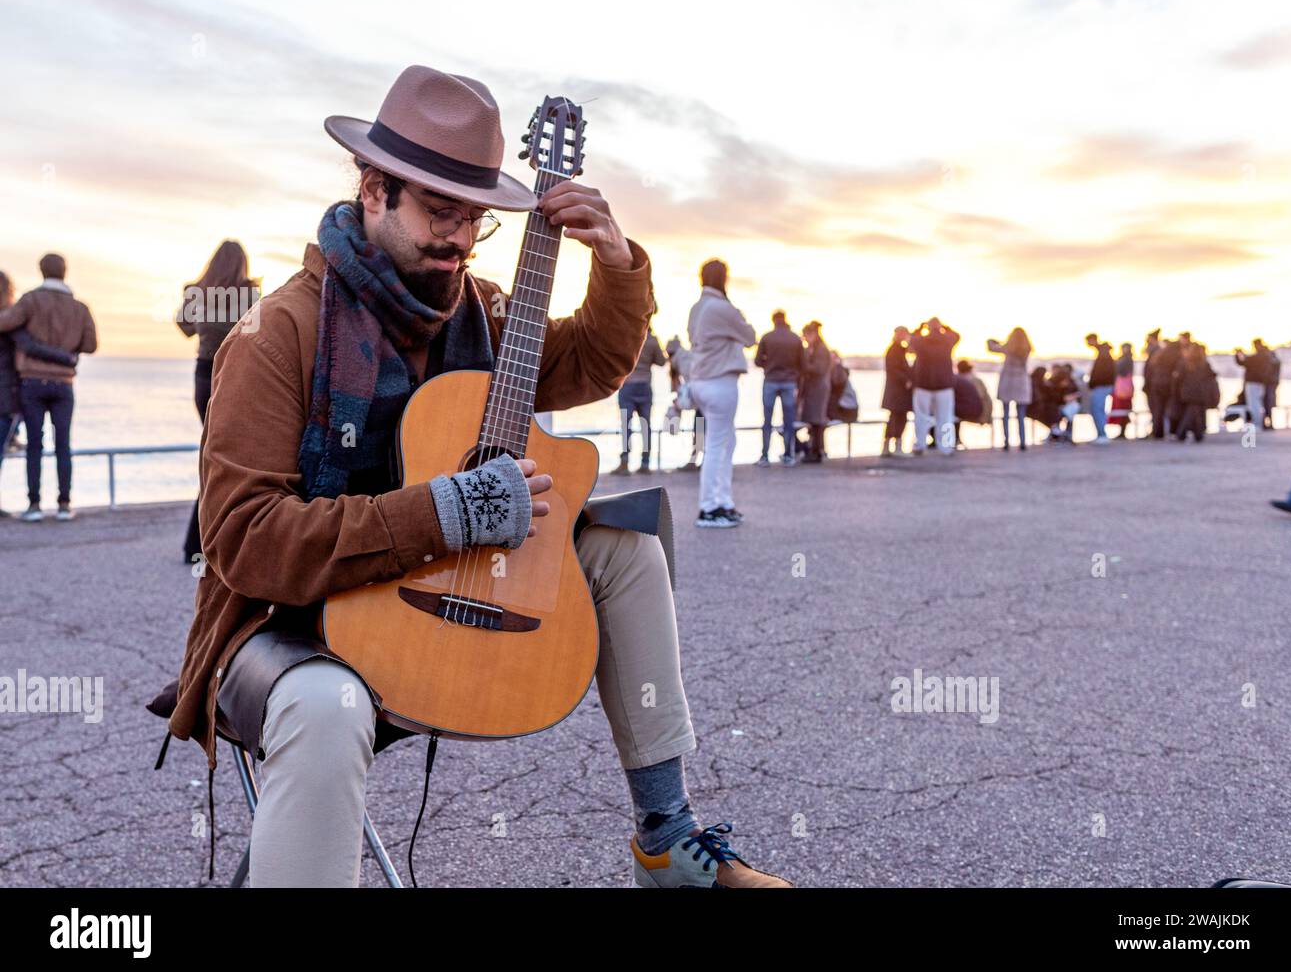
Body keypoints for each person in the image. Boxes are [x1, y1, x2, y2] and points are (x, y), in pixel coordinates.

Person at [151, 66, 791, 889]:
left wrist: (619, 261)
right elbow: (244, 542)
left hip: (432, 603)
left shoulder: (482, 313)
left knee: (628, 549)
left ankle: (666, 836)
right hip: (287, 628)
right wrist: (444, 511)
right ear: (374, 189)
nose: (457, 238)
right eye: (438, 212)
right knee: (326, 707)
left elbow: (594, 361)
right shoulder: (279, 333)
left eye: (476, 220)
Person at [176, 241, 261, 562]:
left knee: (212, 455)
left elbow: (184, 328)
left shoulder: (197, 292)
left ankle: (197, 543)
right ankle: (205, 542)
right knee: (228, 457)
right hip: (234, 377)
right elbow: (259, 334)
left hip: (203, 377)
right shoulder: (249, 294)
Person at [0, 254, 98, 521]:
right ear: (65, 272)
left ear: (41, 271)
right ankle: (64, 504)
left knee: (34, 444)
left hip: (32, 381)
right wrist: (68, 348)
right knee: (63, 444)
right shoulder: (80, 308)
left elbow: (5, 323)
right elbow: (91, 345)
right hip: (64, 383)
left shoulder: (30, 300)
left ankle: (34, 506)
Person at [687, 258, 755, 526]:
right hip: (720, 381)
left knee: (726, 442)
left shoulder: (697, 307)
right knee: (718, 446)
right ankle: (709, 508)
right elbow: (750, 337)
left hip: (700, 381)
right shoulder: (722, 308)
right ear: (724, 279)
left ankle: (724, 502)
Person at [753, 309, 803, 467]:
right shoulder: (795, 339)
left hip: (771, 381)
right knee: (788, 420)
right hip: (789, 381)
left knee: (767, 420)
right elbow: (802, 363)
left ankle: (765, 456)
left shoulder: (767, 337)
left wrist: (769, 365)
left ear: (773, 320)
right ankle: (788, 455)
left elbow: (757, 361)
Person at [614, 322, 665, 474]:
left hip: (627, 385)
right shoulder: (652, 340)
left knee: (626, 425)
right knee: (645, 426)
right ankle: (645, 463)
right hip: (644, 386)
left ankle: (624, 462)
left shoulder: (626, 338)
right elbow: (662, 362)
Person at [908, 317, 960, 455]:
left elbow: (911, 338)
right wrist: (945, 327)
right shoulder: (947, 340)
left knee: (921, 417)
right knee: (946, 417)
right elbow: (957, 335)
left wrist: (920, 328)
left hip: (923, 385)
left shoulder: (920, 341)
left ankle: (920, 445)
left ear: (928, 327)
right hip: (944, 386)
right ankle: (947, 447)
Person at [988, 327, 1032, 451]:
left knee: (1006, 414)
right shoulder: (1027, 349)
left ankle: (1006, 441)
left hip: (1008, 382)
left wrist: (993, 341)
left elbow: (991, 347)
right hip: (1022, 383)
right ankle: (1023, 442)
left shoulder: (1008, 348)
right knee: (1021, 415)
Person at [665, 334, 703, 471]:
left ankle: (696, 461)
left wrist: (680, 401)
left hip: (702, 401)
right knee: (701, 430)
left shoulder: (680, 361)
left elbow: (691, 384)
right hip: (704, 400)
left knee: (700, 430)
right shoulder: (685, 357)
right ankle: (698, 460)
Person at [797, 320, 831, 463]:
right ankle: (815, 450)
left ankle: (816, 452)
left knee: (817, 421)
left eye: (806, 335)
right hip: (815, 389)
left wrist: (803, 361)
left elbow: (818, 369)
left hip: (818, 390)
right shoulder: (816, 348)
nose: (804, 339)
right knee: (815, 421)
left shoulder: (820, 349)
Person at [1174, 343, 1219, 442]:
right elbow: (1212, 376)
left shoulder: (1185, 363)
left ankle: (1185, 434)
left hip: (1188, 392)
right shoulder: (1204, 364)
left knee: (1192, 414)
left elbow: (1178, 379)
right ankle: (1196, 434)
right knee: (1195, 414)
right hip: (1200, 392)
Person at [881, 326, 912, 457]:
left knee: (896, 418)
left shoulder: (897, 349)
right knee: (897, 418)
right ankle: (893, 448)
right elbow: (894, 370)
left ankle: (889, 447)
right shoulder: (894, 350)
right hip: (897, 392)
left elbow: (912, 349)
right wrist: (906, 380)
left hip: (897, 392)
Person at [1235, 339, 1273, 436]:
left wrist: (1238, 354)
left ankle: (1257, 424)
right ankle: (1259, 423)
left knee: (1254, 404)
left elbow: (1242, 362)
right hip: (1261, 383)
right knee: (1258, 403)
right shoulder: (1266, 356)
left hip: (1253, 383)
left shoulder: (1258, 357)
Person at [953, 360, 993, 448]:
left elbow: (977, 399)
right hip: (980, 411)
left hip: (977, 412)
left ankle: (952, 441)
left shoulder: (963, 381)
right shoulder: (975, 380)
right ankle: (955, 439)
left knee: (951, 413)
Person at [1084, 333, 1115, 444]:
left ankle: (1102, 435)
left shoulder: (1103, 353)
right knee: (1098, 409)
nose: (1087, 344)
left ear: (1093, 340)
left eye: (1088, 341)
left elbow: (1103, 372)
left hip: (1101, 386)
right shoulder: (1103, 352)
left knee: (1097, 409)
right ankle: (1101, 434)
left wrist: (1094, 382)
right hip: (1102, 385)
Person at [1108, 342, 1135, 438]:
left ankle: (1123, 431)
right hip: (1122, 387)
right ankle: (1122, 431)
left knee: (1123, 409)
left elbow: (1121, 372)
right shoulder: (1125, 358)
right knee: (1122, 409)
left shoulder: (1127, 359)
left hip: (1123, 388)